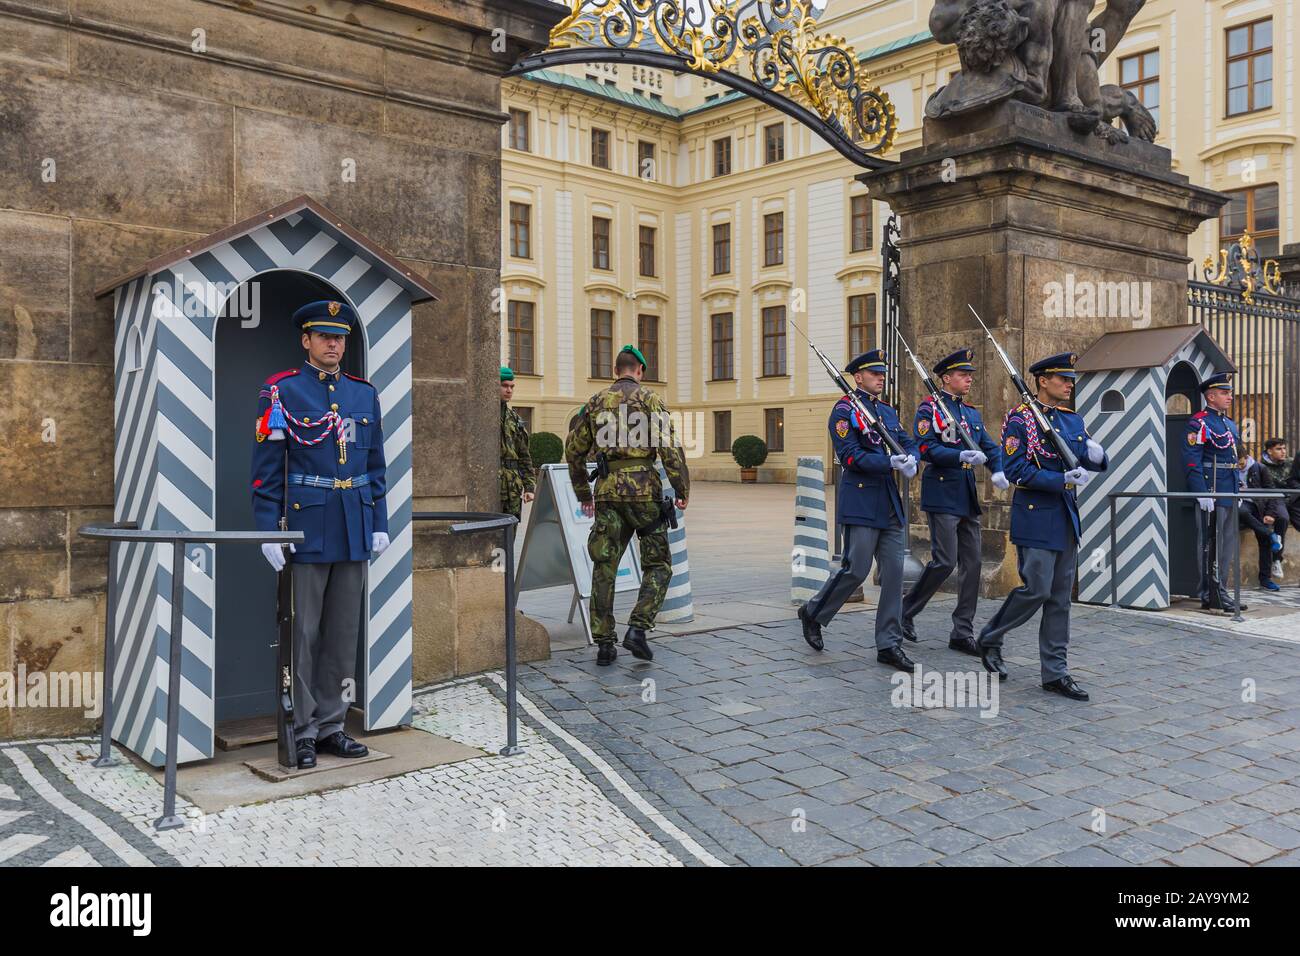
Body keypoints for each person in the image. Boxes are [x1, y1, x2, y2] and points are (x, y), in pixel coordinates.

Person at [250, 300, 389, 768]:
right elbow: (266, 471)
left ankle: (332, 725)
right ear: (306, 340)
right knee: (304, 633)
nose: (334, 344)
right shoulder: (282, 391)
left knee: (342, 632)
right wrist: (268, 531)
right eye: (325, 336)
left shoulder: (363, 394)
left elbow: (375, 468)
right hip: (306, 528)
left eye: (340, 337)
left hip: (354, 525)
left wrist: (380, 523)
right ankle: (302, 728)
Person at [976, 352, 1107, 700]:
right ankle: (991, 635)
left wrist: (1096, 456)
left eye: (1070, 380)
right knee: (1037, 589)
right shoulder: (1020, 420)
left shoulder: (1073, 421)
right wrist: (1060, 478)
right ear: (1042, 381)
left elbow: (1090, 460)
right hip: (1035, 515)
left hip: (1065, 518)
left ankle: (1055, 671)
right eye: (1062, 379)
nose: (1069, 384)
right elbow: (1016, 469)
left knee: (1060, 599)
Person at [564, 345, 689, 666]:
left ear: (615, 371)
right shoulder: (651, 400)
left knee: (604, 566)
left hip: (607, 494)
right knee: (658, 565)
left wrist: (583, 494)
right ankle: (637, 627)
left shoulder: (594, 403)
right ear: (640, 371)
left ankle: (605, 644)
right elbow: (670, 449)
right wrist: (681, 488)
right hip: (645, 494)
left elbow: (573, 451)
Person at [797, 349, 920, 671]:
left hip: (889, 503)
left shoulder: (887, 412)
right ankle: (813, 612)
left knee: (893, 575)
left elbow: (907, 441)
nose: (881, 378)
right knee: (856, 569)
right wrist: (888, 461)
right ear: (858, 377)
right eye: (875, 373)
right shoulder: (843, 412)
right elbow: (850, 456)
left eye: (883, 374)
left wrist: (911, 459)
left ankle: (889, 644)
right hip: (862, 501)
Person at [901, 347, 1009, 655]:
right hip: (942, 492)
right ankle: (905, 611)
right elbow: (924, 448)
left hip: (966, 495)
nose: (969, 380)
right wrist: (958, 455)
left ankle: (962, 631)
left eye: (970, 375)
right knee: (945, 561)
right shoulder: (929, 410)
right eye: (963, 375)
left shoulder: (970, 413)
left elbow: (990, 447)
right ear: (946, 378)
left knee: (973, 564)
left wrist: (998, 469)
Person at [1181, 372, 1247, 613]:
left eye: (1229, 392)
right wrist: (1200, 492)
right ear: (1210, 396)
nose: (1229, 396)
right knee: (1209, 544)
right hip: (1212, 490)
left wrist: (1238, 487)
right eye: (1224, 392)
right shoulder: (1198, 422)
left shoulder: (1228, 423)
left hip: (1228, 490)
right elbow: (1191, 460)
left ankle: (1222, 590)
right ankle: (1209, 592)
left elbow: (1233, 459)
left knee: (1227, 545)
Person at [1241, 444, 1287, 590]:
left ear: (1247, 458)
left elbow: (1271, 493)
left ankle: (1265, 579)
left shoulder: (1259, 468)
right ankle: (1271, 534)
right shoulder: (1229, 468)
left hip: (1257, 506)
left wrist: (1270, 513)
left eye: (1241, 463)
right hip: (1239, 506)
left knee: (1264, 540)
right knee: (1242, 511)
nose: (1238, 466)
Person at [499, 366, 536, 521]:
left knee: (510, 530)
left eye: (512, 387)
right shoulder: (484, 415)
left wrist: (529, 487)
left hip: (513, 487)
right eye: (505, 386)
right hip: (493, 484)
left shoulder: (514, 418)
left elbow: (524, 454)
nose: (509, 390)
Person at [1257, 437, 1296, 582]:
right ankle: (1277, 560)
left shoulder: (1291, 463)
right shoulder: (1261, 467)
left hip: (1293, 498)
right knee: (1283, 518)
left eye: (1284, 448)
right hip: (1276, 499)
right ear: (1269, 451)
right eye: (1279, 449)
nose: (1283, 451)